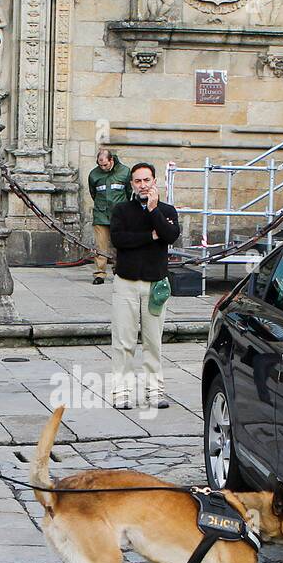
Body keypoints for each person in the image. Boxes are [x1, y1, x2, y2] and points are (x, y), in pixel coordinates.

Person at [108, 161, 180, 410]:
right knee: (123, 342)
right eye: (137, 181)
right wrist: (149, 237)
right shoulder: (121, 210)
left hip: (155, 285)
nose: (142, 185)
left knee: (153, 342)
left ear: (154, 182)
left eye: (146, 180)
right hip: (126, 283)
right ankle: (121, 393)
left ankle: (155, 392)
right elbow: (119, 239)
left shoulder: (167, 211)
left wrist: (153, 211)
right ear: (131, 184)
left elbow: (170, 236)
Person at [87, 148, 131, 285]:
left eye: (105, 165)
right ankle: (99, 273)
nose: (103, 167)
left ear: (111, 160)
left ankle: (120, 270)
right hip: (101, 213)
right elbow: (93, 192)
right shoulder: (94, 175)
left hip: (119, 214)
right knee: (101, 245)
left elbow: (129, 192)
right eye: (100, 165)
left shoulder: (125, 172)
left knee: (120, 244)